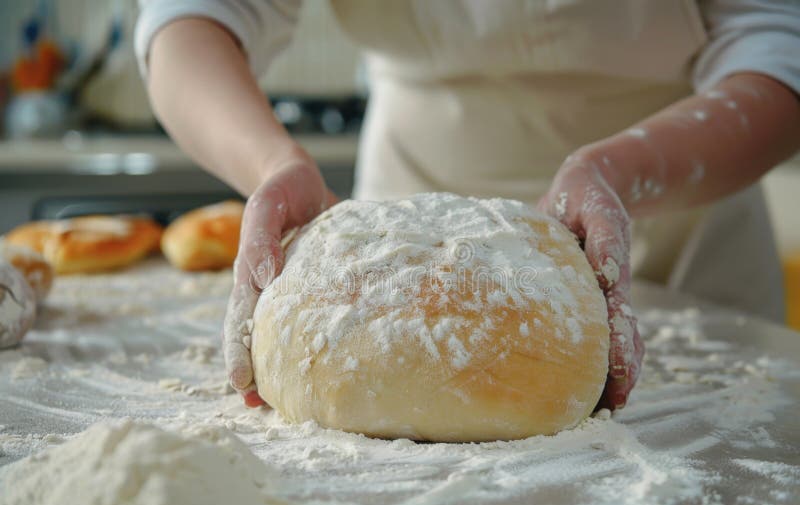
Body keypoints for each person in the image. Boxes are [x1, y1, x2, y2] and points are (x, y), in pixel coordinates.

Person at [135, 1, 800, 411]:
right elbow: (190, 18)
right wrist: (271, 166)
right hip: (393, 231)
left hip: (675, 191)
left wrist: (620, 171)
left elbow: (780, 46)